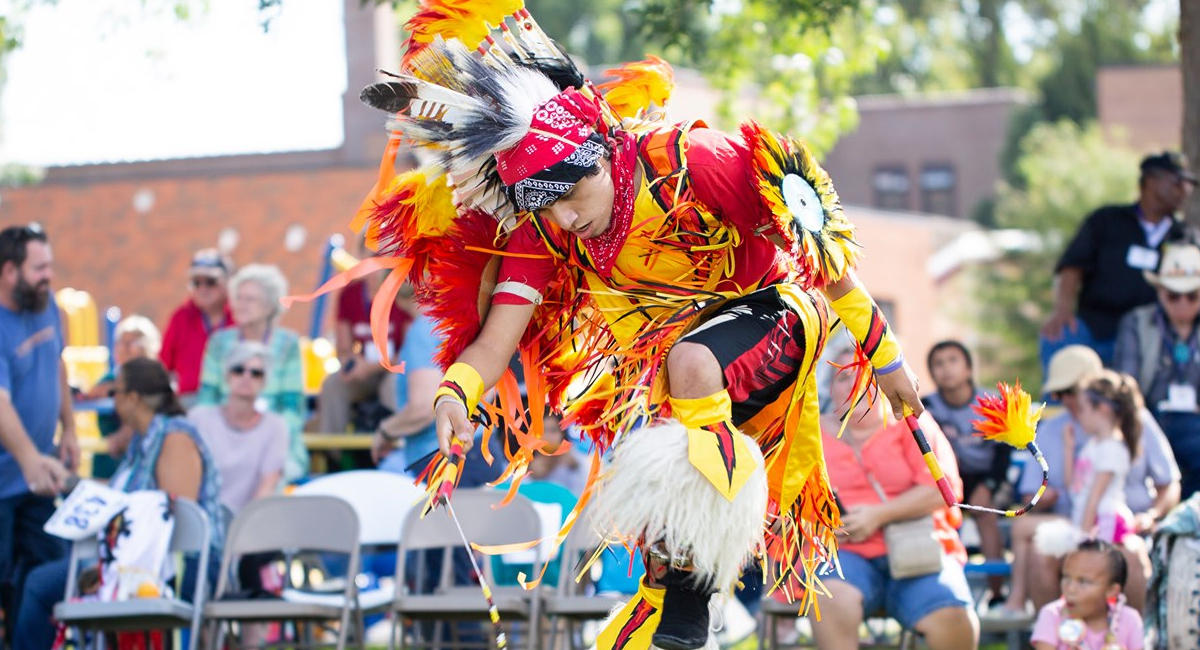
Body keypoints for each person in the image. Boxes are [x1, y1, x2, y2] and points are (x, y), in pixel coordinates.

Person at [338, 19, 923, 650]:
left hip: (776, 315)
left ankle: (702, 574)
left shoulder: (696, 163)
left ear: (594, 154)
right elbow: (494, 341)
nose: (563, 215)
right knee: (659, 515)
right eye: (543, 204)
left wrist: (886, 360)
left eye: (570, 193)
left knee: (692, 362)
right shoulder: (547, 232)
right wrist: (453, 395)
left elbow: (824, 255)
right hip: (683, 366)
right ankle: (678, 600)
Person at [14, 358, 225, 650]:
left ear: (133, 398)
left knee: (40, 585)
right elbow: (121, 496)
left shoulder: (175, 436)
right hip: (134, 561)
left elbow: (177, 513)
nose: (113, 401)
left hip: (177, 567)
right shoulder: (142, 440)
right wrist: (70, 482)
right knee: (43, 580)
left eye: (116, 392)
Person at [806, 345, 977, 650]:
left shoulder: (912, 423)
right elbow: (788, 502)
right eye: (843, 377)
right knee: (827, 598)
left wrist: (878, 515)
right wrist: (825, 525)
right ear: (829, 387)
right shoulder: (810, 435)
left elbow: (945, 489)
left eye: (863, 374)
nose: (854, 383)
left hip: (920, 545)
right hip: (846, 553)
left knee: (955, 616)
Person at [1002, 346, 1178, 616]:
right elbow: (1034, 495)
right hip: (1073, 520)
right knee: (1041, 553)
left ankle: (1134, 637)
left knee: (1131, 555)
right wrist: (1043, 498)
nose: (1066, 401)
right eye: (1059, 395)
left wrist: (1152, 514)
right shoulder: (1054, 429)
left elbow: (1169, 483)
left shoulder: (1135, 422)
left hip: (1116, 525)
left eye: (1071, 392)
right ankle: (1054, 637)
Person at [1042, 151, 1197, 367]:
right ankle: (1057, 399)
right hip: (1097, 326)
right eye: (1177, 182)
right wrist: (1062, 310)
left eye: (1189, 184)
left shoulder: (1185, 235)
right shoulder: (1106, 220)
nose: (1185, 190)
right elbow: (1072, 266)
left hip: (1152, 333)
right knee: (1060, 334)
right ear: (1151, 180)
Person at [0, 224, 77, 643]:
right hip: (7, 481)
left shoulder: (46, 306)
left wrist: (70, 427)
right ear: (10, 271)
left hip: (39, 478)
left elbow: (57, 363)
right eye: (39, 267)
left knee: (44, 582)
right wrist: (30, 459)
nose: (49, 275)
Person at [198, 263, 308, 482]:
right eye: (238, 298)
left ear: (269, 306)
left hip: (276, 441)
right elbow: (206, 402)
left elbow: (292, 408)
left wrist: (262, 436)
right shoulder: (219, 343)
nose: (241, 305)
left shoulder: (288, 344)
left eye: (250, 299)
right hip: (224, 438)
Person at [920, 340, 1007, 606]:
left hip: (986, 478)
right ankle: (945, 592)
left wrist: (990, 485)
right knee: (932, 512)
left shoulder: (990, 403)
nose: (946, 369)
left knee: (985, 510)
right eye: (939, 363)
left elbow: (1003, 454)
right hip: (945, 479)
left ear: (969, 369)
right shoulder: (925, 407)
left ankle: (996, 594)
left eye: (953, 360)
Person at [1113, 241, 1200, 500]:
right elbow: (1127, 383)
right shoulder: (1137, 322)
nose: (1182, 302)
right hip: (1149, 417)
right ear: (1160, 291)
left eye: (1192, 294)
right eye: (1174, 294)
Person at [315, 237, 411, 435]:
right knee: (333, 385)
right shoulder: (350, 295)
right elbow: (343, 348)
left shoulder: (404, 292)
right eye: (375, 257)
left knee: (393, 386)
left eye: (387, 257)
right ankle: (333, 453)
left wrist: (370, 367)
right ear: (361, 257)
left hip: (396, 369)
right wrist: (350, 363)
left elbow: (410, 352)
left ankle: (395, 447)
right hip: (364, 370)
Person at [189, 341, 288, 513]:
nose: (246, 377)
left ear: (264, 381)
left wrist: (244, 530)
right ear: (227, 375)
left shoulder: (275, 427)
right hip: (202, 517)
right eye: (238, 370)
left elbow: (267, 486)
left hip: (248, 525)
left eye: (256, 373)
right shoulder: (199, 419)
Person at [81, 314, 162, 479]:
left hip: (146, 459)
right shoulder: (108, 380)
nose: (126, 348)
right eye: (122, 343)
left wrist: (127, 431)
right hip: (112, 460)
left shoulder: (158, 380)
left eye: (134, 343)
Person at [1031, 538, 1144, 650]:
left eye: (1083, 582)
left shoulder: (1129, 619)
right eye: (1066, 577)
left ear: (1111, 590)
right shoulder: (1052, 615)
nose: (1070, 589)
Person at [160, 248, 234, 402]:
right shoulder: (181, 317)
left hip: (232, 399)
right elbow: (163, 365)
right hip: (190, 401)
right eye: (196, 282)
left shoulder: (240, 315)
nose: (203, 289)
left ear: (227, 283)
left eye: (210, 281)